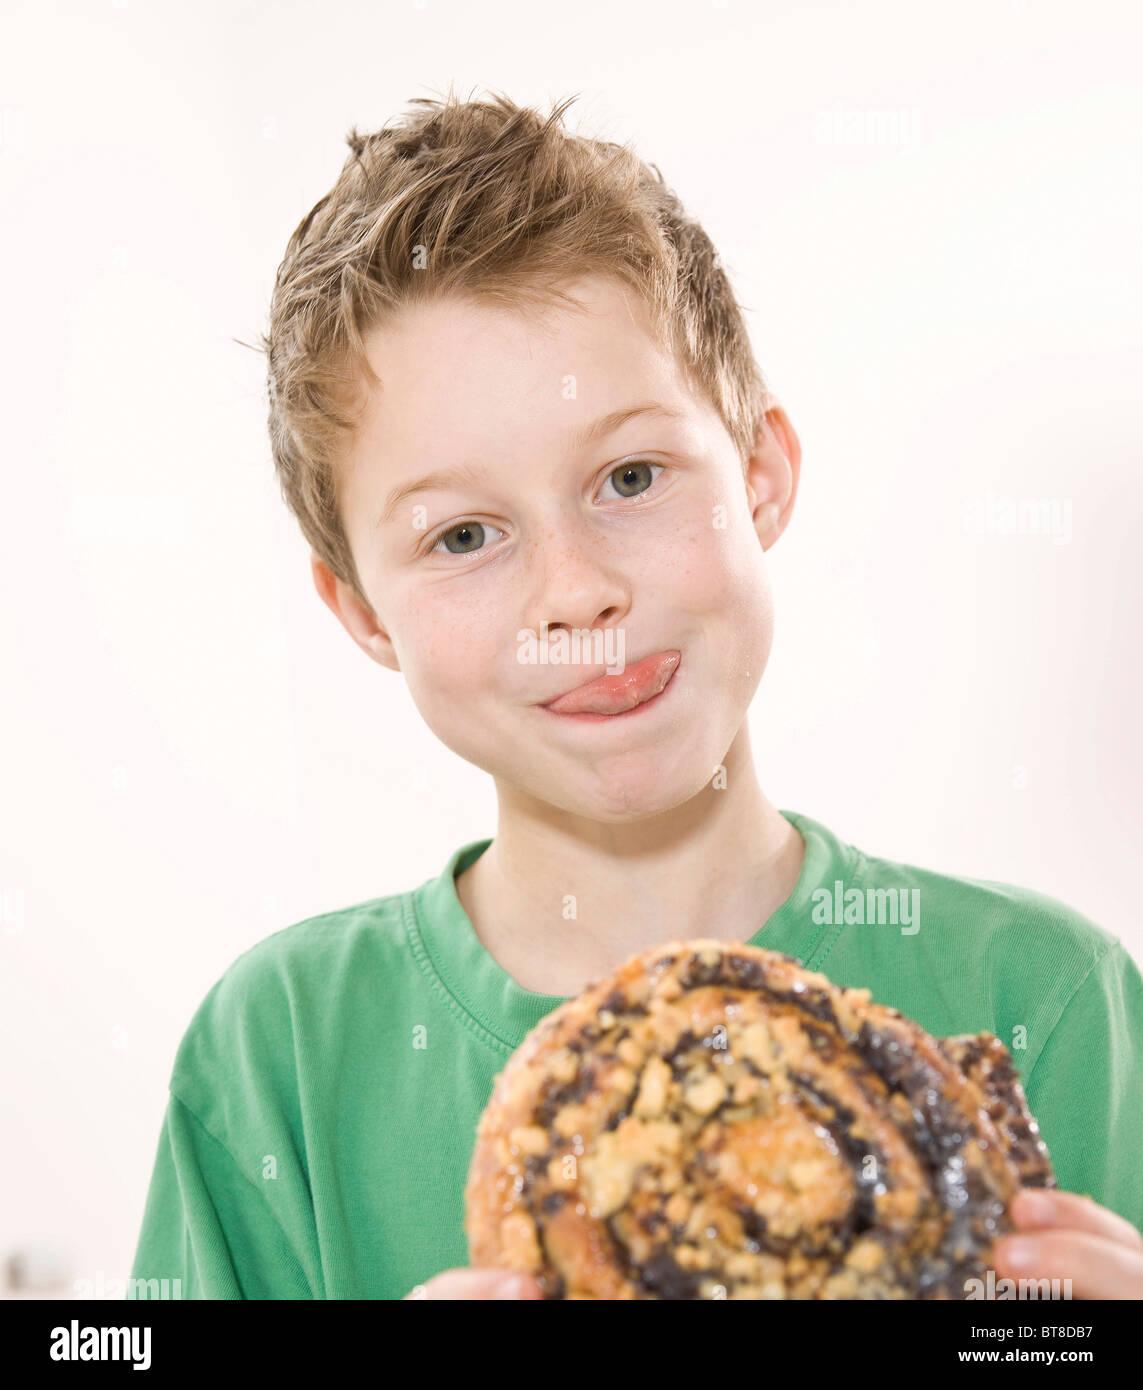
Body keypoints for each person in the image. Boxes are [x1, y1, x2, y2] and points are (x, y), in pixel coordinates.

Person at [130, 89, 1143, 1300]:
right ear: (360, 610)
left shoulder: (1049, 999)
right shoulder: (275, 1056)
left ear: (761, 477)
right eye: (462, 536)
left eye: (631, 475)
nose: (577, 593)